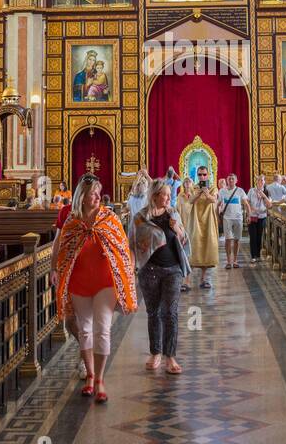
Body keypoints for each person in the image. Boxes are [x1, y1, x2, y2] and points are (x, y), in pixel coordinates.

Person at [52, 175, 136, 403]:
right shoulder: (72, 221)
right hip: (80, 282)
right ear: (82, 195)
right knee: (84, 330)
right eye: (93, 193)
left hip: (105, 283)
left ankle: (99, 379)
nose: (98, 197)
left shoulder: (109, 218)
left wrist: (126, 275)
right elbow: (62, 250)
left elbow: (121, 247)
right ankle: (89, 374)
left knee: (103, 329)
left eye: (99, 192)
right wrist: (56, 270)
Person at [131, 179, 189, 375]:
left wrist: (177, 229)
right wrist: (132, 269)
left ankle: (170, 356)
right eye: (164, 194)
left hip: (173, 269)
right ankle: (155, 352)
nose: (168, 197)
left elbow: (184, 239)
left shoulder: (173, 214)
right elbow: (132, 243)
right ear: (154, 196)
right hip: (149, 270)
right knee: (153, 312)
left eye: (168, 194)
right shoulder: (140, 218)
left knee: (170, 313)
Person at [187, 168, 220, 289]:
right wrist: (198, 193)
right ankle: (187, 281)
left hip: (208, 220)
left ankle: (204, 278)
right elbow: (190, 201)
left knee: (207, 246)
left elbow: (214, 200)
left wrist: (206, 193)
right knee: (192, 247)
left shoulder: (213, 187)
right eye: (199, 175)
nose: (202, 177)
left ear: (208, 175)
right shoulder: (193, 188)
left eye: (204, 174)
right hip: (195, 220)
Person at [219, 173, 248, 269]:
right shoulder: (222, 191)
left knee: (237, 240)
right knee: (228, 240)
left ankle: (235, 260)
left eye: (232, 179)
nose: (231, 180)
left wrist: (249, 215)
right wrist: (216, 216)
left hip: (238, 218)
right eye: (229, 179)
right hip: (227, 218)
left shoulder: (240, 191)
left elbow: (246, 203)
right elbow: (218, 204)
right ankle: (228, 261)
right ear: (227, 180)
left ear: (236, 181)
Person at [246, 175, 269, 265]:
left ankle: (258, 255)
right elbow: (247, 202)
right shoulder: (252, 190)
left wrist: (263, 196)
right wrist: (250, 210)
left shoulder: (266, 191)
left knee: (259, 236)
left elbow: (269, 205)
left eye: (262, 180)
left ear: (264, 182)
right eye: (259, 180)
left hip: (262, 216)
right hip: (252, 216)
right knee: (253, 236)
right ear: (256, 182)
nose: (260, 182)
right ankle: (253, 256)